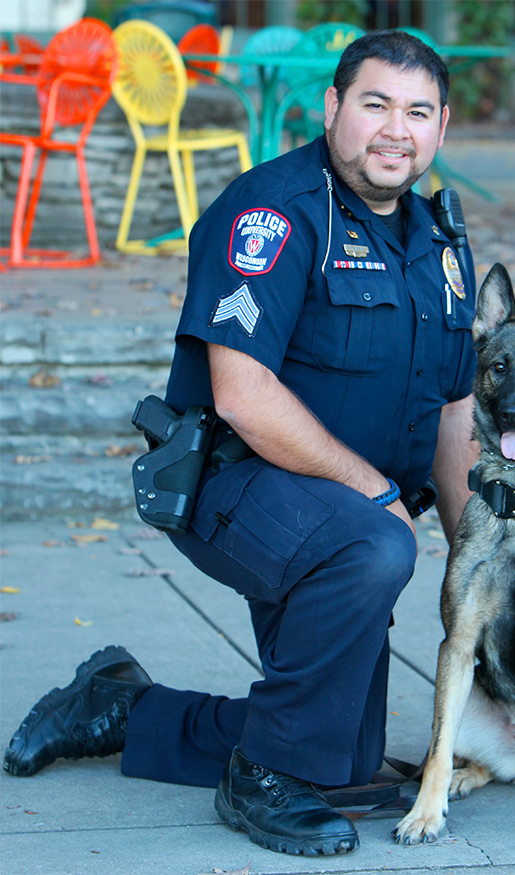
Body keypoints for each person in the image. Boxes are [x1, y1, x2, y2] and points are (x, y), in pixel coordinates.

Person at [3, 30, 481, 857]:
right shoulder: (274, 211)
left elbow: (453, 409)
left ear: (440, 127)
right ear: (332, 108)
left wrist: (481, 563)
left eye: (417, 112)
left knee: (344, 757)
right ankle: (262, 776)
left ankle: (122, 705)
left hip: (341, 518)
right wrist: (376, 494)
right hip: (236, 486)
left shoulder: (437, 242)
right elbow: (242, 393)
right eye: (374, 105)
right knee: (374, 547)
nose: (394, 130)